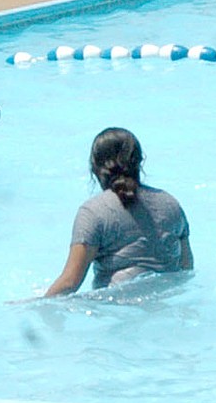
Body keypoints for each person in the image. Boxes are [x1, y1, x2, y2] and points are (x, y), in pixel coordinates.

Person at [45, 127, 193, 297]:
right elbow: (186, 270)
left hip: (117, 311)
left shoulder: (93, 213)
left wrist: (32, 305)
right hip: (165, 307)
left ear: (95, 168)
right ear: (139, 162)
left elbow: (70, 283)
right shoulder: (171, 204)